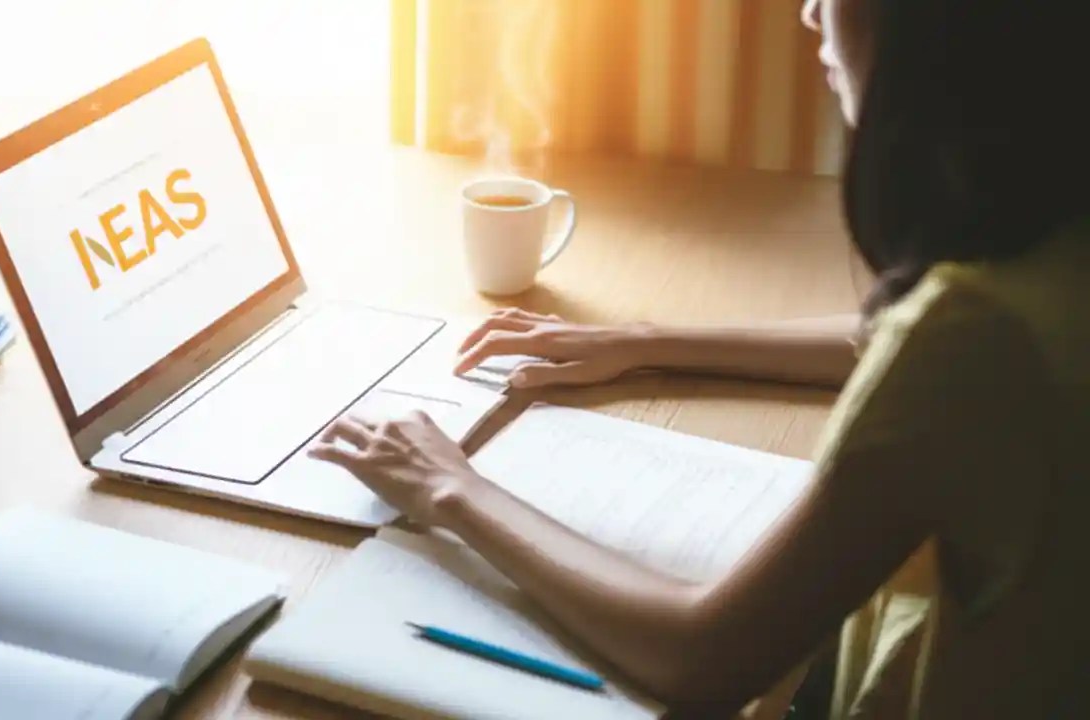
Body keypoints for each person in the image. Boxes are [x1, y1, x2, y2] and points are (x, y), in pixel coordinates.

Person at [309, 0, 1089, 716]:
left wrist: (447, 484)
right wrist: (644, 341)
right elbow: (886, 343)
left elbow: (703, 654)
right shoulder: (1046, 255)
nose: (810, 12)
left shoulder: (970, 338)